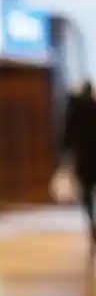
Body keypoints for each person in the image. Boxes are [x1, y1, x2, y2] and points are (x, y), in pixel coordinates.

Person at [63, 81, 96, 241]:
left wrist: (67, 158)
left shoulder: (74, 110)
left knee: (87, 192)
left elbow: (67, 137)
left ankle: (92, 220)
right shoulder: (93, 108)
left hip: (83, 158)